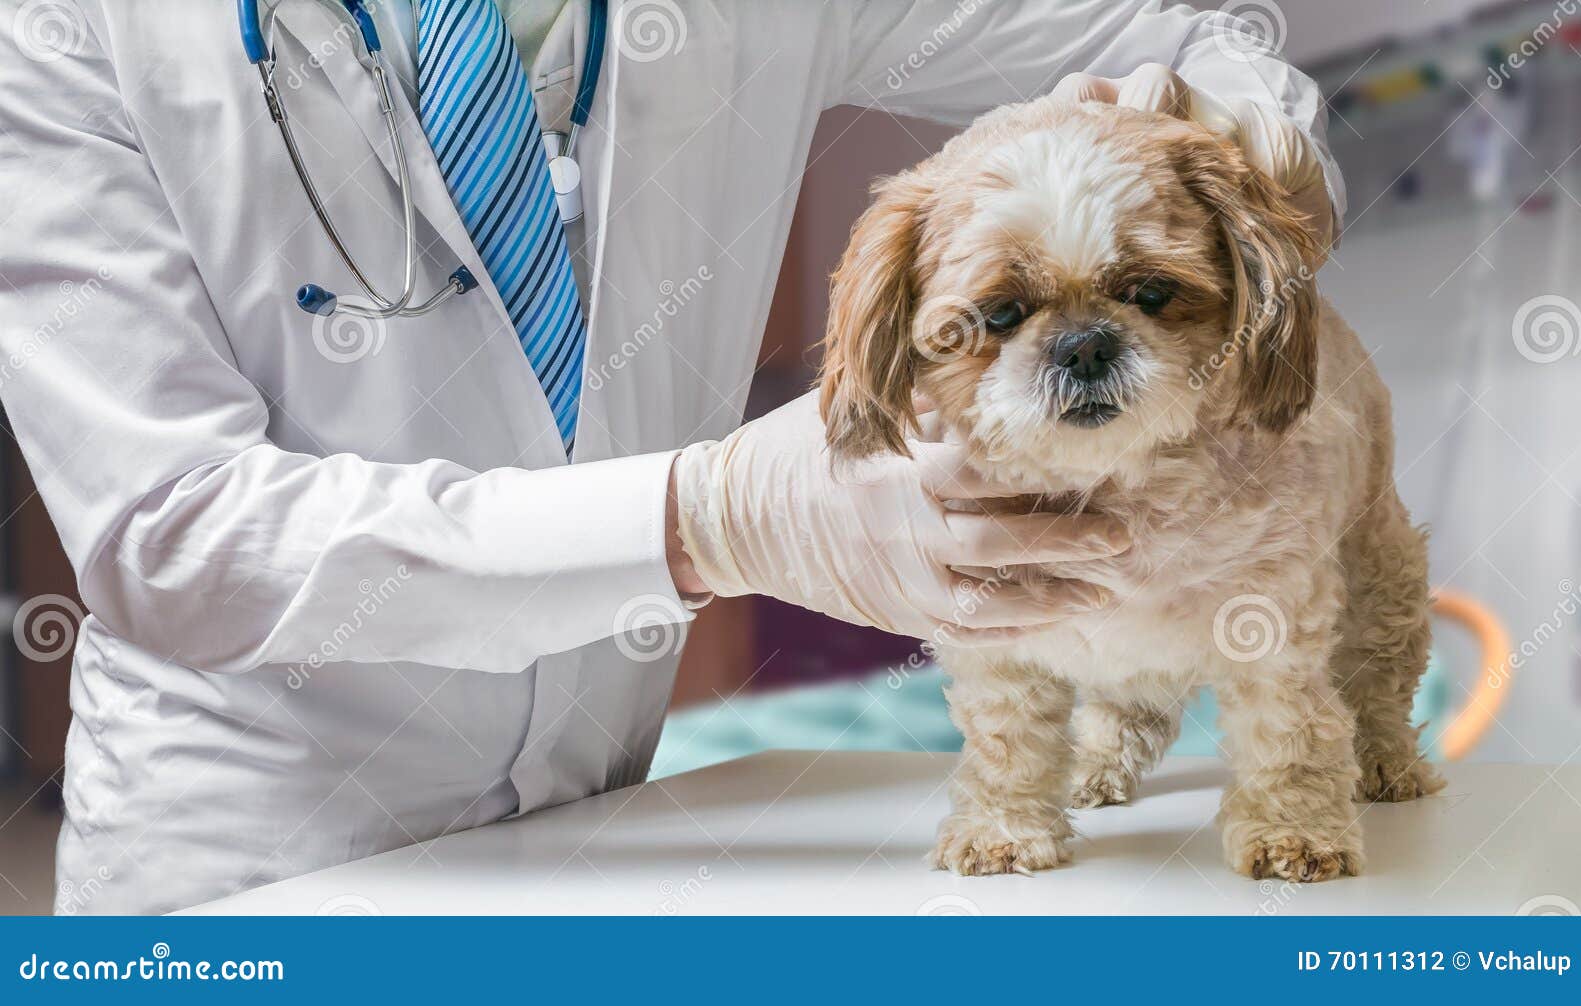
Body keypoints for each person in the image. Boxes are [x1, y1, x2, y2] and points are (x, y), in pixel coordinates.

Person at [0, 0, 1341, 914]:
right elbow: (172, 531)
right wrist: (707, 518)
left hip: (596, 833)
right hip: (246, 869)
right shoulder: (63, 32)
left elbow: (1190, 34)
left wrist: (1244, 181)